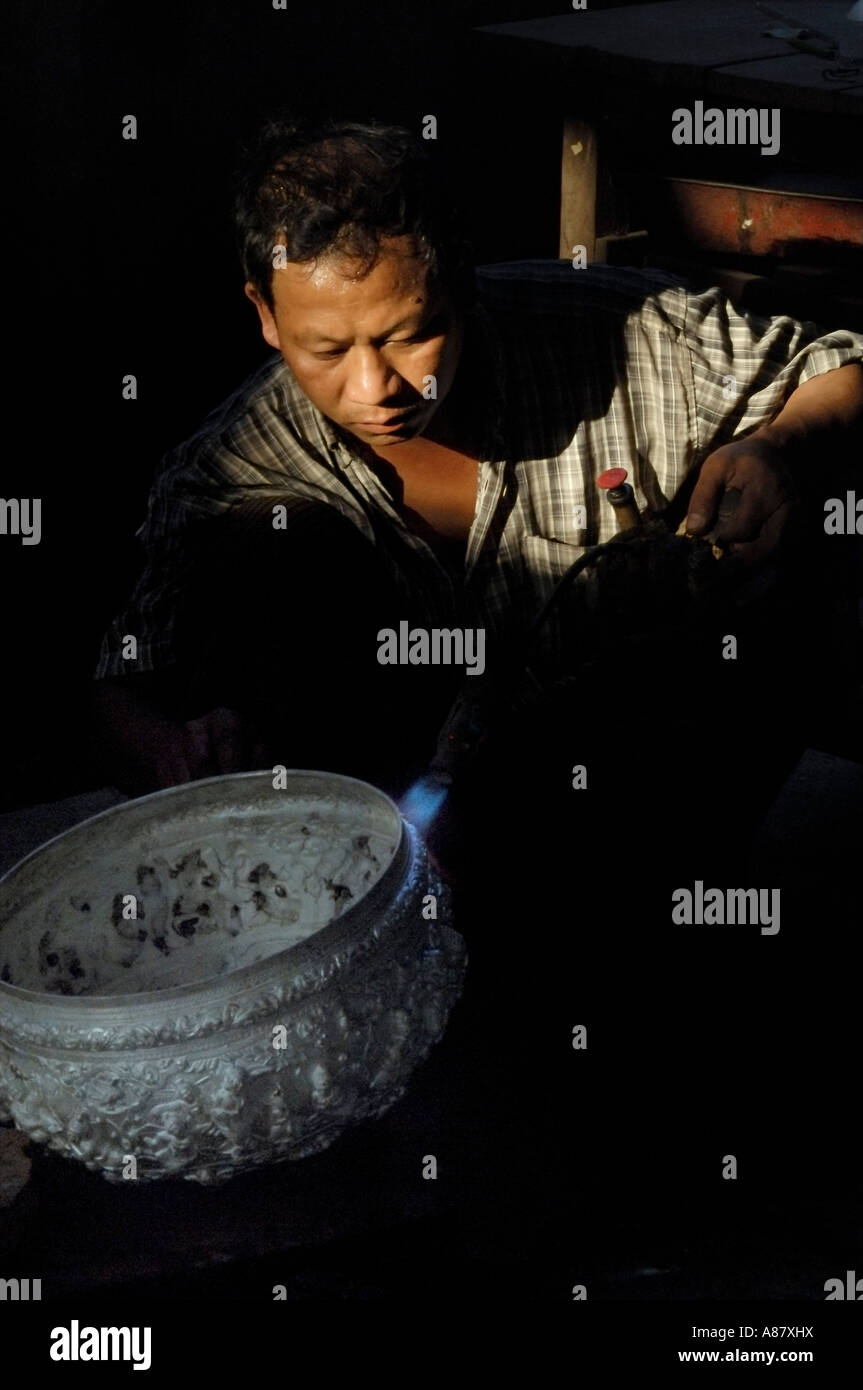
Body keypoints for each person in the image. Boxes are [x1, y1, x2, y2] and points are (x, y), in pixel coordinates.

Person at [92, 116, 863, 797]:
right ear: (264, 313)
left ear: (460, 282)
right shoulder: (234, 463)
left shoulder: (627, 336)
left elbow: (837, 365)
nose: (375, 388)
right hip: (390, 812)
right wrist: (176, 750)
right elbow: (126, 681)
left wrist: (776, 444)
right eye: (325, 348)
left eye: (406, 335)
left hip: (643, 778)